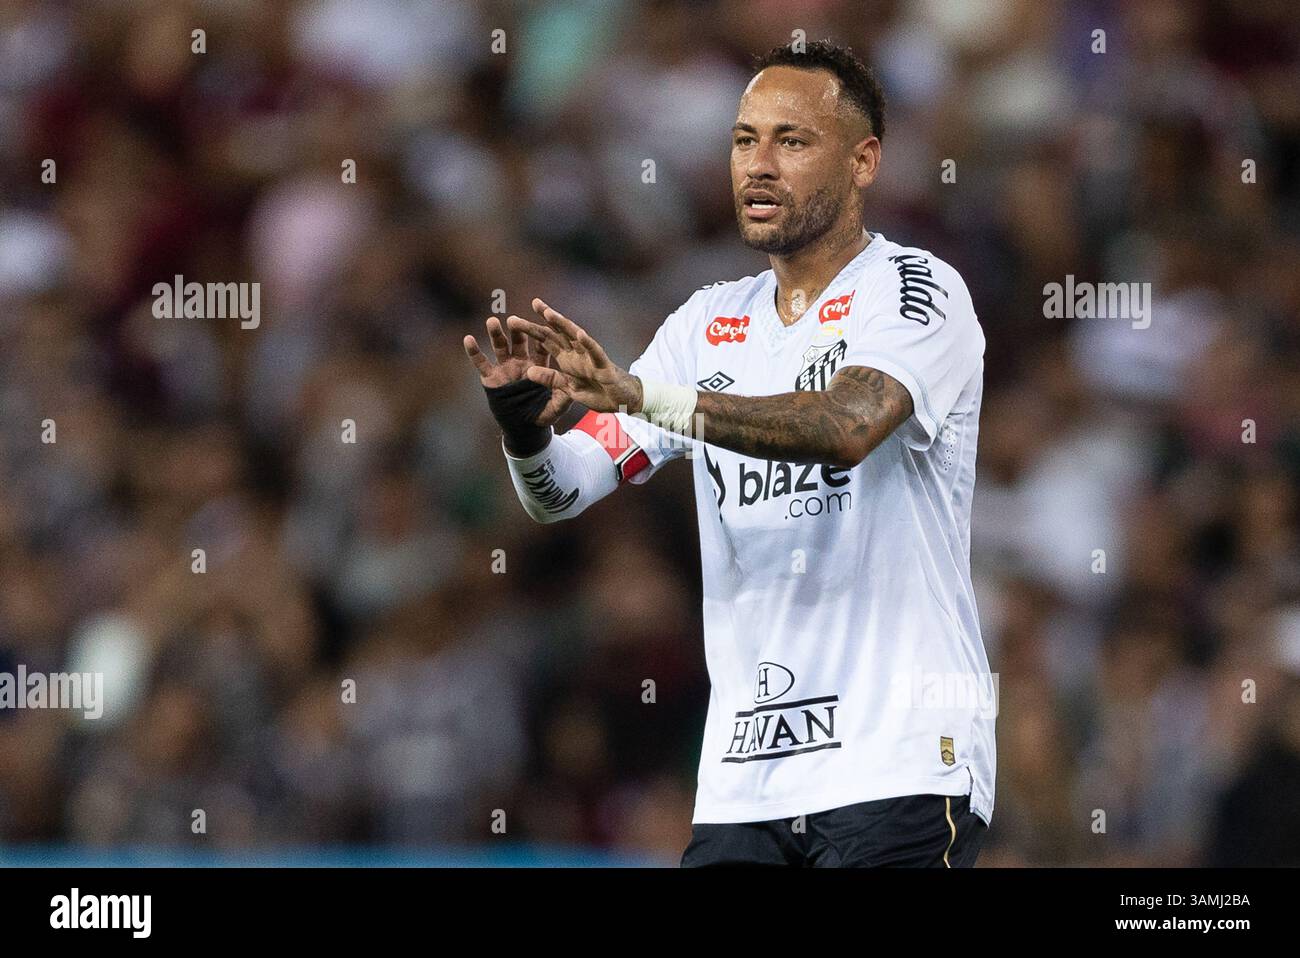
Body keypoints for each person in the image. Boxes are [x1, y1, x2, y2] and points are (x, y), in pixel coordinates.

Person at [464, 40, 993, 867]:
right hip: (745, 782)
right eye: (745, 139)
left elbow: (845, 427)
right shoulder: (705, 324)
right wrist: (525, 430)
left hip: (897, 756)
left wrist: (646, 398)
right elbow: (561, 492)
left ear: (863, 161)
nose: (759, 165)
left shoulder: (917, 290)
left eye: (792, 140)